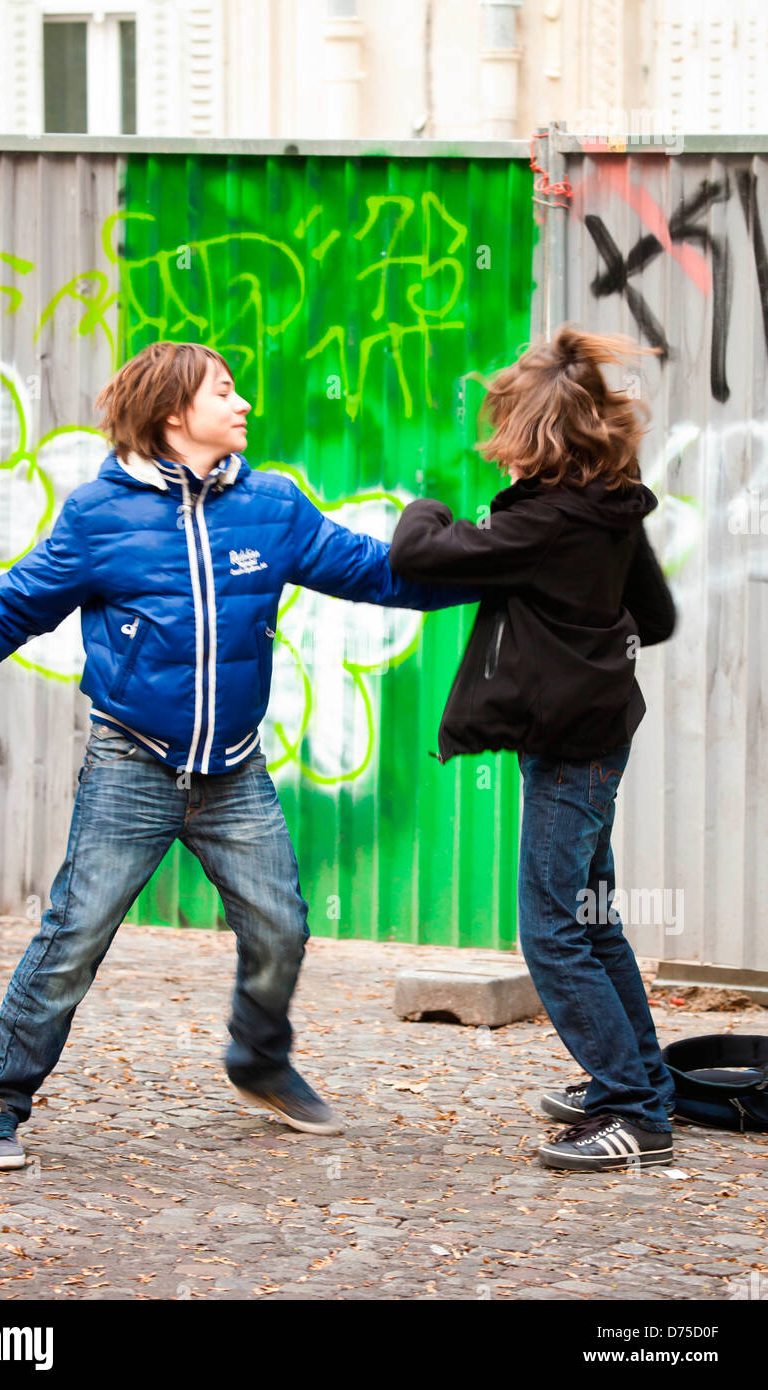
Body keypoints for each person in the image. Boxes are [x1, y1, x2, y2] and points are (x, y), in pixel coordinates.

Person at [0, 340, 481, 1170]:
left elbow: (376, 574)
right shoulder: (99, 515)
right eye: (226, 391)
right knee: (74, 937)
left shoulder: (272, 508)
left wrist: (500, 565)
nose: (243, 402)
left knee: (284, 928)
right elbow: (12, 606)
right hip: (132, 767)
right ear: (177, 414)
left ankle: (257, 1061)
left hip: (234, 773)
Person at [388, 323, 678, 1173]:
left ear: (532, 440)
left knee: (551, 932)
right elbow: (653, 618)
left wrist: (429, 502)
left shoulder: (546, 521)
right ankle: (642, 1085)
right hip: (596, 739)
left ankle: (634, 1114)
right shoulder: (612, 509)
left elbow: (422, 551)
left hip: (568, 750)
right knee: (593, 920)